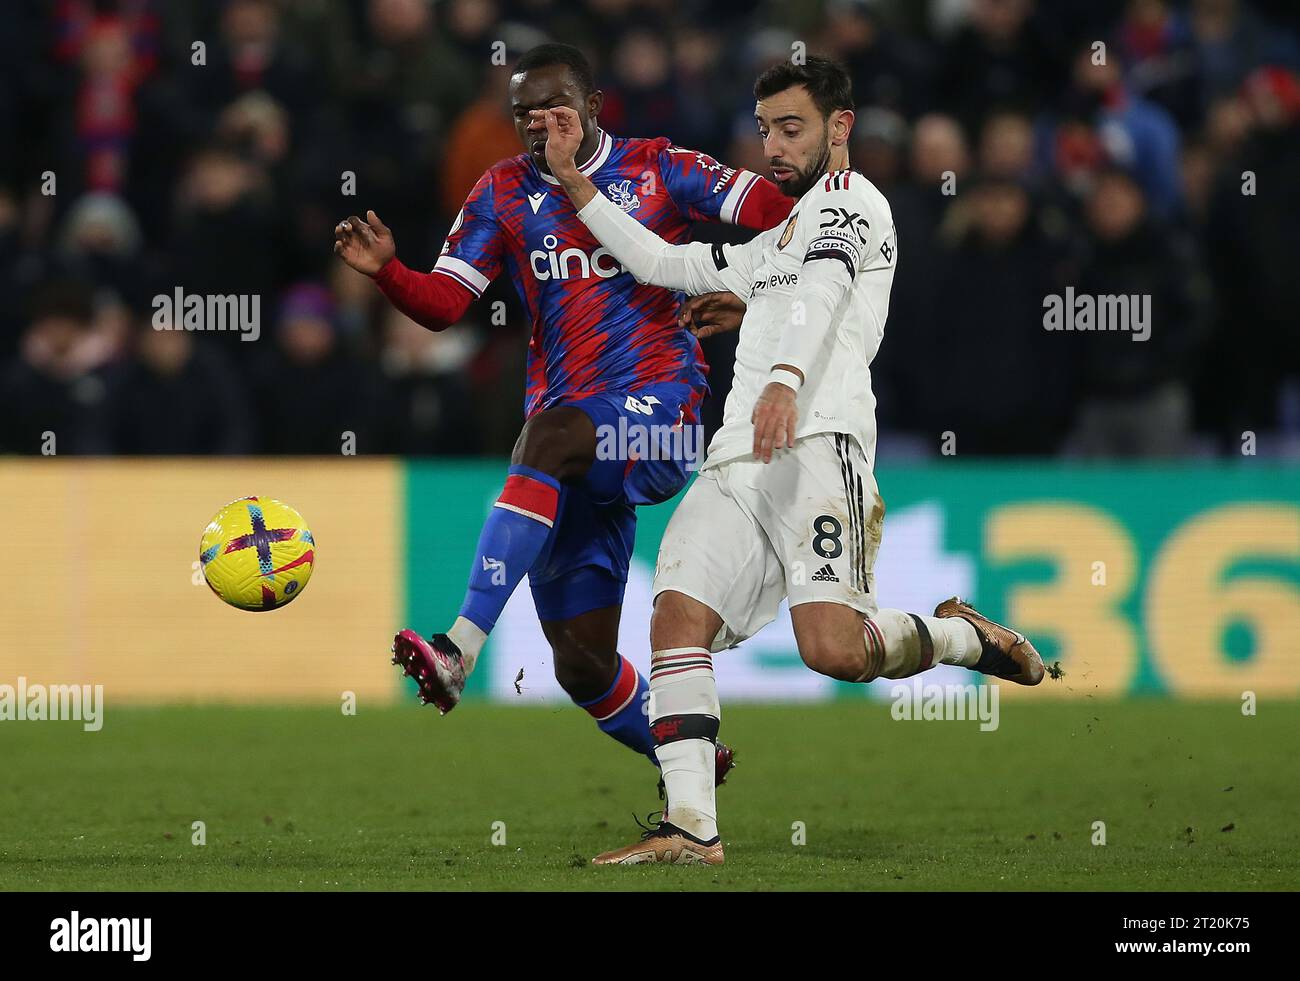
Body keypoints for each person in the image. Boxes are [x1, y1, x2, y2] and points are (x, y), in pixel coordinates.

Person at [540, 55, 1045, 866]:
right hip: (738, 452)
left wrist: (782, 378)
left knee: (835, 650)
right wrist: (573, 181)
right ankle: (691, 827)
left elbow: (824, 291)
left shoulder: (857, 205)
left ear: (840, 128)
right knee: (676, 612)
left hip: (818, 443)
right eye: (766, 127)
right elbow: (664, 264)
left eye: (793, 127)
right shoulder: (777, 234)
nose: (773, 145)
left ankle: (959, 638)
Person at [333, 43, 791, 789]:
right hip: (570, 442)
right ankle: (692, 763)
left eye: (556, 112)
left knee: (543, 436)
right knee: (581, 662)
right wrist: (389, 271)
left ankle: (458, 647)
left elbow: (777, 212)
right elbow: (447, 304)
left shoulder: (659, 166)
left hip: (661, 413)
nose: (543, 128)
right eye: (525, 116)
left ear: (593, 107)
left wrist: (751, 282)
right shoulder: (503, 190)